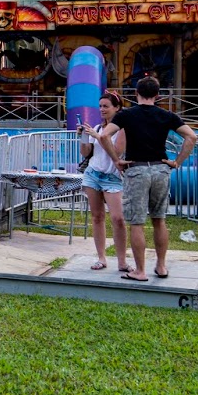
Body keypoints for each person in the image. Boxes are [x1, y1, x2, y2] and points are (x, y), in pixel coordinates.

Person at [103, 76, 198, 282]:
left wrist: (117, 160)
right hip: (160, 169)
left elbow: (103, 136)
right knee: (159, 219)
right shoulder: (167, 115)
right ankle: (161, 266)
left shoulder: (127, 115)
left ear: (136, 94)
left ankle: (140, 270)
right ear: (157, 95)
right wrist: (177, 162)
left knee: (137, 222)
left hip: (136, 169)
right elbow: (192, 137)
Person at [78, 90, 127, 272]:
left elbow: (117, 152)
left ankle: (122, 261)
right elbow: (86, 153)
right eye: (100, 106)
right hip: (93, 174)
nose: (102, 109)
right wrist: (84, 136)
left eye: (106, 106)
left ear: (117, 108)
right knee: (97, 217)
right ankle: (101, 258)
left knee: (118, 218)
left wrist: (99, 136)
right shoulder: (97, 129)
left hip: (112, 177)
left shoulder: (121, 129)